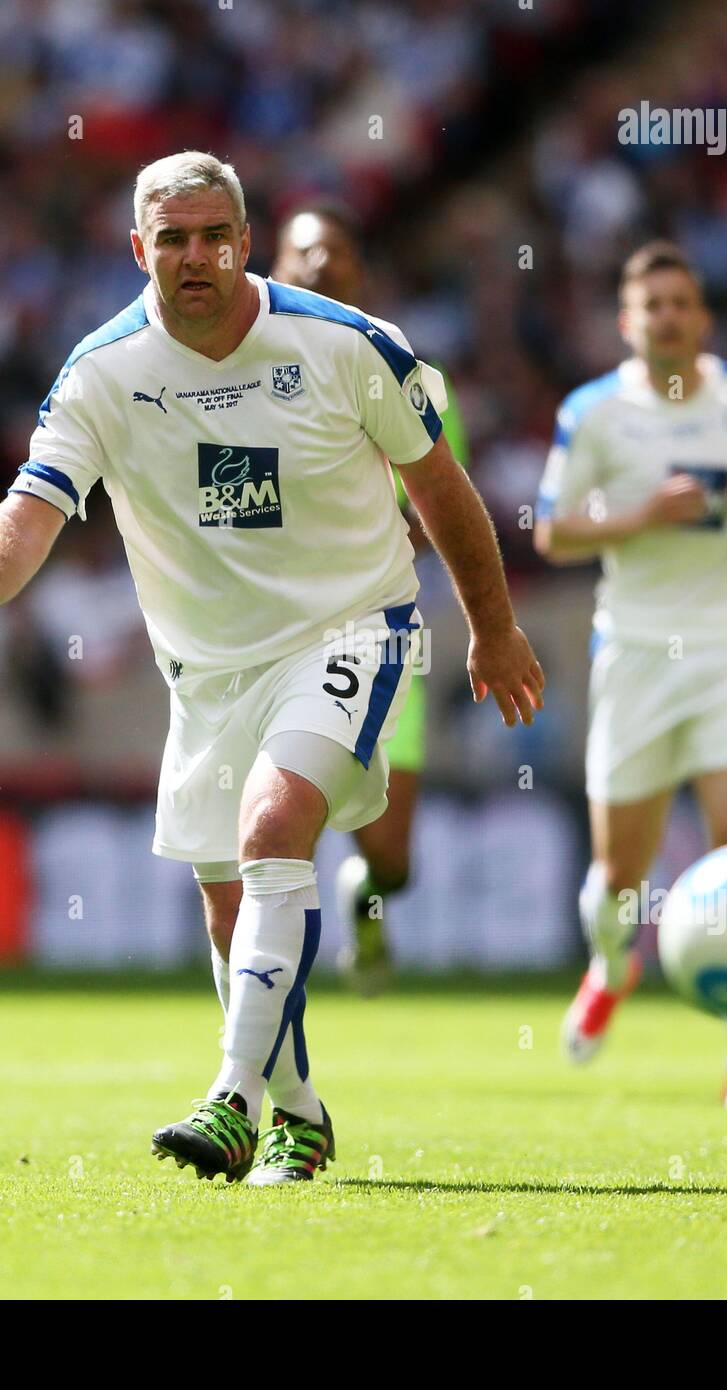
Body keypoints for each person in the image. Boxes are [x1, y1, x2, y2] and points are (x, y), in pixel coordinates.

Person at [0, 151, 544, 1183]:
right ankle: (298, 1108)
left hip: (351, 626)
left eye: (216, 235)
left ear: (247, 243)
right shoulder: (103, 373)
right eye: (173, 238)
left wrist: (494, 625)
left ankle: (231, 1097)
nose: (196, 255)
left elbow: (441, 489)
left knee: (273, 825)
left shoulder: (348, 345)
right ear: (140, 249)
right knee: (232, 902)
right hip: (207, 672)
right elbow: (31, 507)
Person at [534, 241, 727, 1114]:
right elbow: (549, 532)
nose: (667, 318)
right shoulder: (595, 412)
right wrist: (642, 515)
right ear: (627, 322)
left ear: (701, 317)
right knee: (622, 872)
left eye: (680, 303)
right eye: (650, 305)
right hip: (637, 654)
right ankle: (611, 967)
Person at [272, 203, 471, 993]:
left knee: (391, 858)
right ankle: (265, 1006)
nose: (322, 263)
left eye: (338, 251)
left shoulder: (404, 373)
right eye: (305, 252)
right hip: (275, 637)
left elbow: (437, 501)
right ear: (274, 268)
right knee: (278, 829)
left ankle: (367, 899)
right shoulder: (236, 375)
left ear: (359, 271)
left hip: (381, 634)